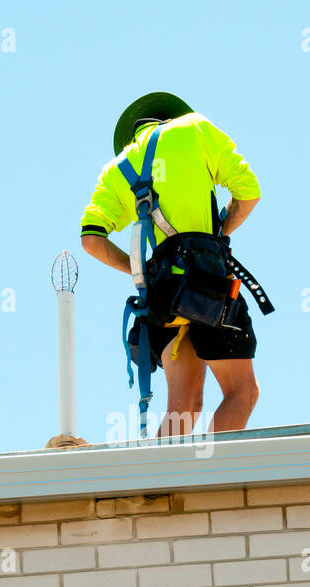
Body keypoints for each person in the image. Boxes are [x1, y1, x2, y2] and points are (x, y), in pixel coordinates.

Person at [80, 92, 265, 437]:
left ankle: (160, 484)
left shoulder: (118, 168)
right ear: (169, 117)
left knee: (184, 407)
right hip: (211, 289)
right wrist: (216, 236)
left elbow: (91, 239)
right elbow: (248, 193)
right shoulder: (195, 129)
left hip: (163, 299)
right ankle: (213, 482)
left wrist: (140, 274)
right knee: (241, 393)